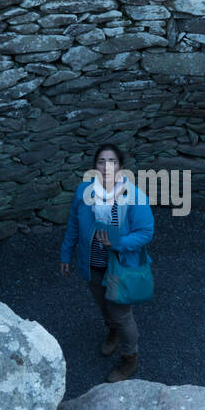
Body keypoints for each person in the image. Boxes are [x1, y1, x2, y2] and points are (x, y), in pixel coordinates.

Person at [59, 143, 154, 382]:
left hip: (119, 267)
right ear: (94, 167)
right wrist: (65, 254)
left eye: (112, 162)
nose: (106, 167)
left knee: (122, 314)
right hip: (92, 265)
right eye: (101, 161)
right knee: (104, 307)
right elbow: (73, 226)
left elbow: (146, 232)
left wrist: (118, 243)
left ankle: (129, 359)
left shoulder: (133, 196)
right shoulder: (84, 192)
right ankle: (113, 332)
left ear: (121, 167)